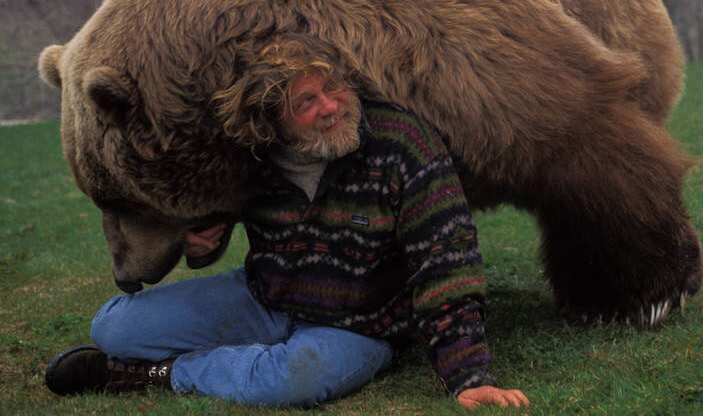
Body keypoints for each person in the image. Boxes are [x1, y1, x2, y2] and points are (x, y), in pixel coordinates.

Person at [44, 38, 529, 410]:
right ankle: (148, 357)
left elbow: (447, 265)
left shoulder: (403, 144)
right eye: (306, 102)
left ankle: (149, 377)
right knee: (114, 326)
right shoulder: (250, 155)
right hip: (266, 297)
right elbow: (208, 212)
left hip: (360, 324)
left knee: (290, 381)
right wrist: (197, 240)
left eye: (333, 87)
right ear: (270, 120)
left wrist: (469, 374)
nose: (331, 106)